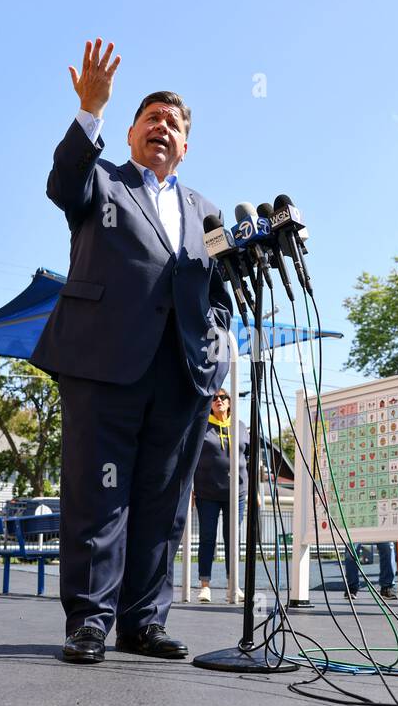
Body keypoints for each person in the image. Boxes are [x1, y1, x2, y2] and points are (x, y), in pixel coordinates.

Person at [30, 39, 231, 663]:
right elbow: (63, 183)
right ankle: (89, 621)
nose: (162, 128)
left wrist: (214, 352)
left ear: (186, 145)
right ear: (130, 131)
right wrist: (88, 110)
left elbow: (221, 294)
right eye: (151, 119)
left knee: (163, 502)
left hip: (181, 375)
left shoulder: (206, 211)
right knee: (98, 495)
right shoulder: (102, 181)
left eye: (173, 124)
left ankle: (143, 622)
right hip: (102, 364)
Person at [191, 388, 247, 603]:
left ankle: (233, 585)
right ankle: (205, 585)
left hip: (236, 492)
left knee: (233, 538)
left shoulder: (240, 426)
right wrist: (190, 489)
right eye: (214, 398)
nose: (219, 400)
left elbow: (249, 457)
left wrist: (254, 490)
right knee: (207, 537)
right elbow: (191, 457)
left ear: (230, 402)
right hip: (207, 492)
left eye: (223, 397)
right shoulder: (203, 426)